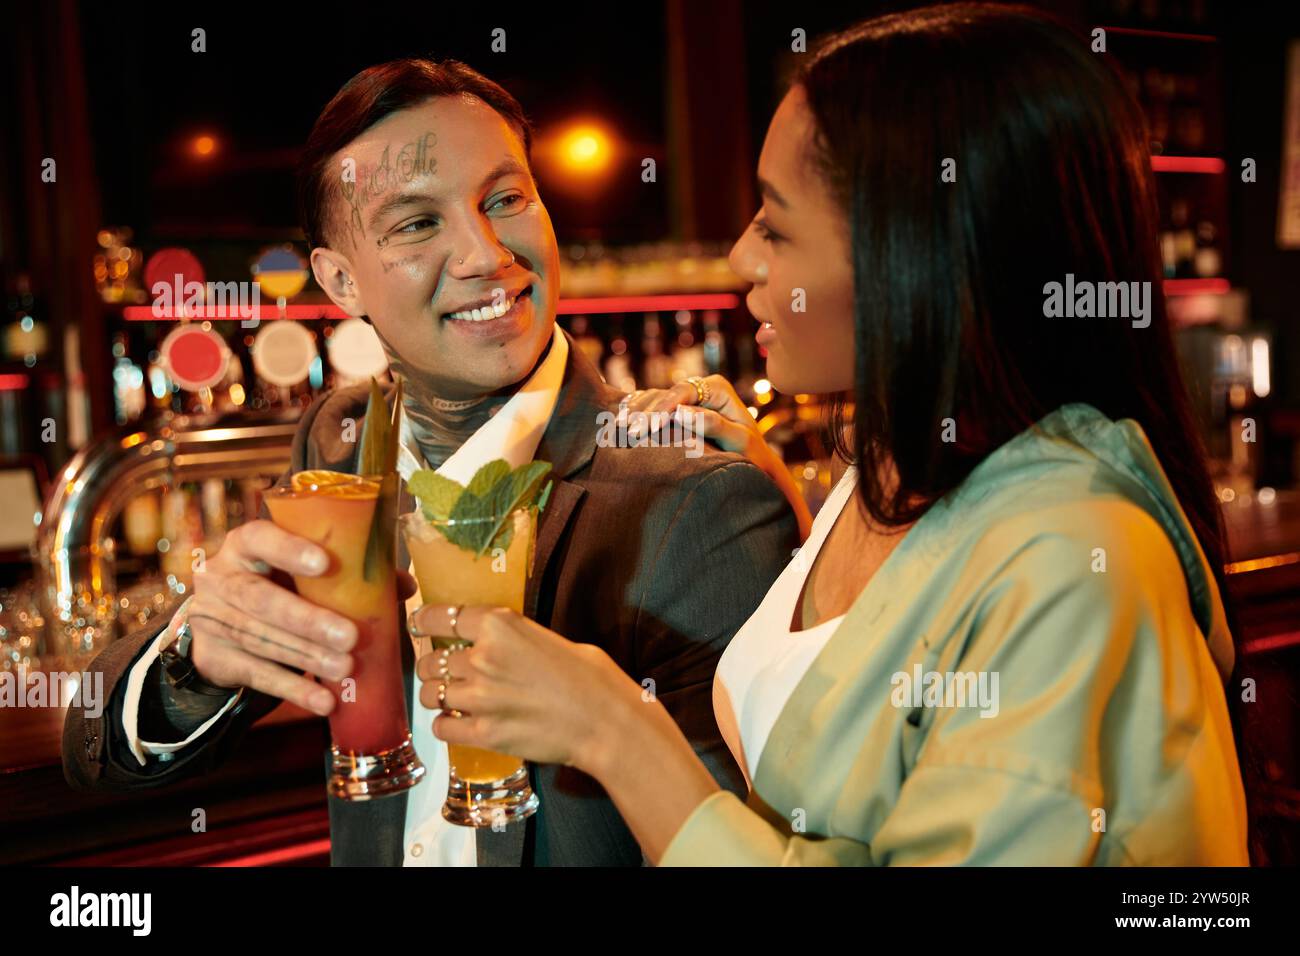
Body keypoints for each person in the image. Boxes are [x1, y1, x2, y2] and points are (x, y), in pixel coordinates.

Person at [406, 4, 1250, 865]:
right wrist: (790, 498)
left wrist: (615, 729)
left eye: (774, 224)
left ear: (915, 255)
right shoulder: (890, 473)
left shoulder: (1073, 562)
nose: (741, 256)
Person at [62, 58, 801, 867]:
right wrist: (194, 659)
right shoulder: (342, 440)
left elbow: (733, 849)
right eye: (416, 224)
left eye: (506, 199)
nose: (486, 254)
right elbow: (92, 743)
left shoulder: (691, 496)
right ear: (341, 282)